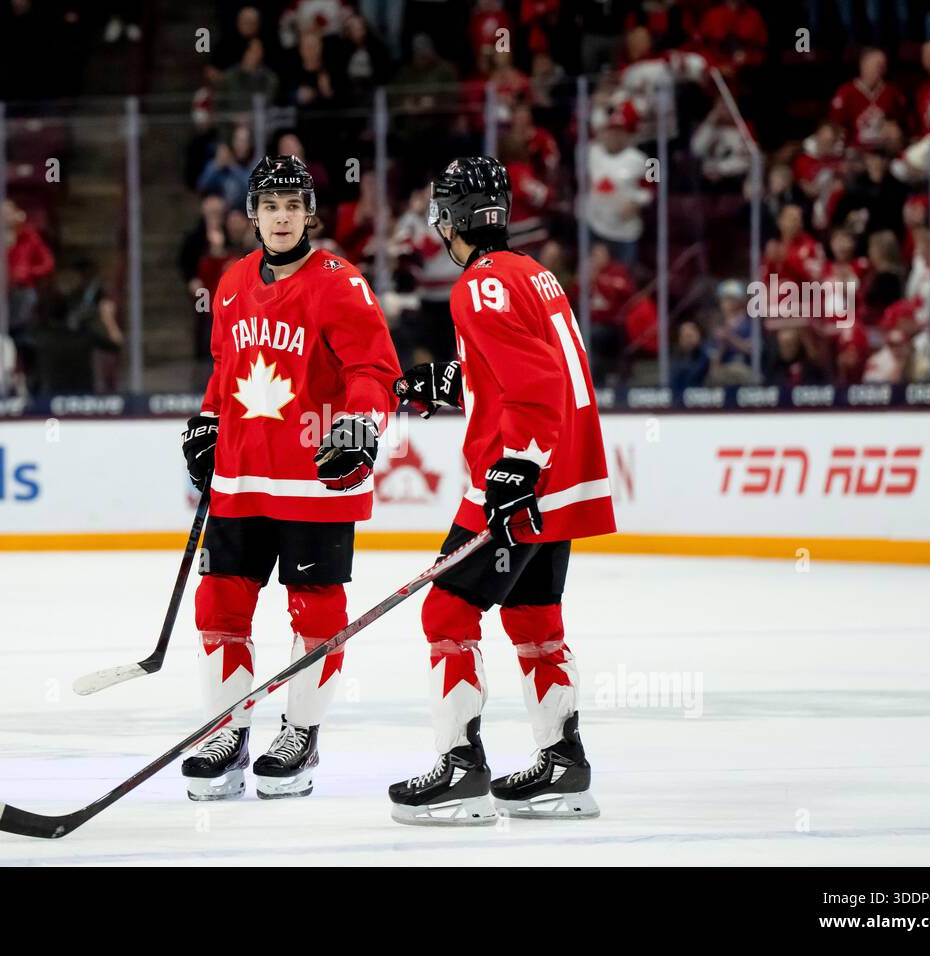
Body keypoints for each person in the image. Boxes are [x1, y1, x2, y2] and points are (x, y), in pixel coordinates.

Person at [389, 157, 616, 826]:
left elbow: (537, 385)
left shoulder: (475, 286)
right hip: (562, 478)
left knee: (446, 617)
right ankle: (564, 765)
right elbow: (517, 364)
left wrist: (518, 465)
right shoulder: (532, 274)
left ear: (448, 220)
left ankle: (460, 769)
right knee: (534, 620)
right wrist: (450, 382)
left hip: (517, 481)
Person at [178, 156, 401, 801]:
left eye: (292, 206)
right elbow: (225, 370)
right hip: (243, 477)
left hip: (315, 480)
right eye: (269, 206)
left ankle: (299, 733)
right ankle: (228, 730)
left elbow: (375, 372)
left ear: (310, 215)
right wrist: (206, 422)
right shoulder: (230, 283)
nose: (280, 218)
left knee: (316, 614)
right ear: (253, 213)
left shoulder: (340, 282)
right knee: (220, 607)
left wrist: (360, 426)